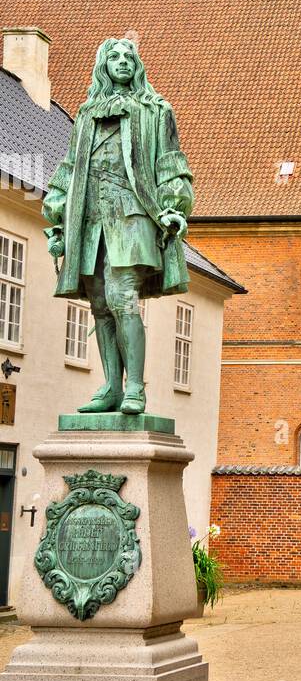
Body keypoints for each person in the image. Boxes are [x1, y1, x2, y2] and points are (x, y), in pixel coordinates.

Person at [44, 38, 193, 415]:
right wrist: (58, 206)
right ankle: (111, 386)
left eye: (130, 57)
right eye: (115, 57)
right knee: (99, 303)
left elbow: (171, 163)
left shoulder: (155, 110)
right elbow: (70, 167)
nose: (123, 62)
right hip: (91, 219)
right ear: (103, 66)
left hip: (133, 214)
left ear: (138, 66)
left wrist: (175, 205)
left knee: (122, 297)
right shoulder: (87, 113)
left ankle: (135, 390)